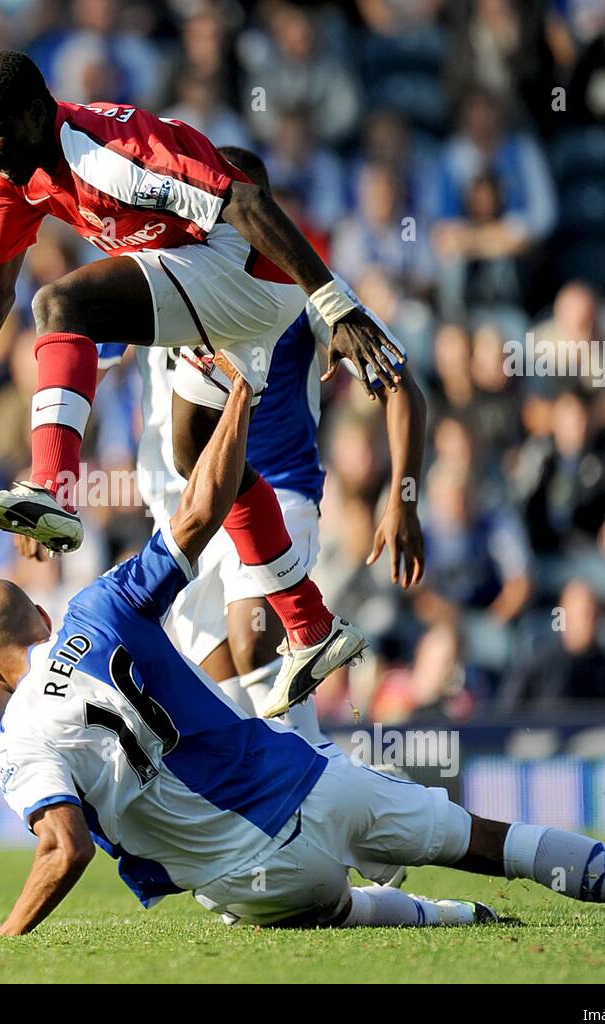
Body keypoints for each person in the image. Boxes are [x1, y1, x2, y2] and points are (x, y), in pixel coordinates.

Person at [0, 357, 605, 936]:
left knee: (305, 905)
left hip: (248, 880)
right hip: (313, 787)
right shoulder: (100, 604)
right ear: (41, 620)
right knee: (489, 840)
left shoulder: (16, 740)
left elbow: (64, 847)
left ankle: (445, 918)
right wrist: (235, 399)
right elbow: (196, 511)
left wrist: (7, 929)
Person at [0, 50, 421, 717]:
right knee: (194, 454)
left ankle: (51, 488)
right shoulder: (10, 177)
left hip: (255, 285)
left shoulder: (109, 152)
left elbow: (243, 200)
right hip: (206, 348)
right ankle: (312, 624)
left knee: (59, 305)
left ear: (38, 115)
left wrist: (331, 303)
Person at [106, 144, 426, 738]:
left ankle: (316, 802)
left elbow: (402, 387)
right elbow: (85, 344)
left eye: (248, 206)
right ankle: (306, 794)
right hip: (188, 513)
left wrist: (402, 496)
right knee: (222, 699)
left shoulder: (305, 288)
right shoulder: (163, 273)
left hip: (277, 493)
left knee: (256, 640)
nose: (233, 218)